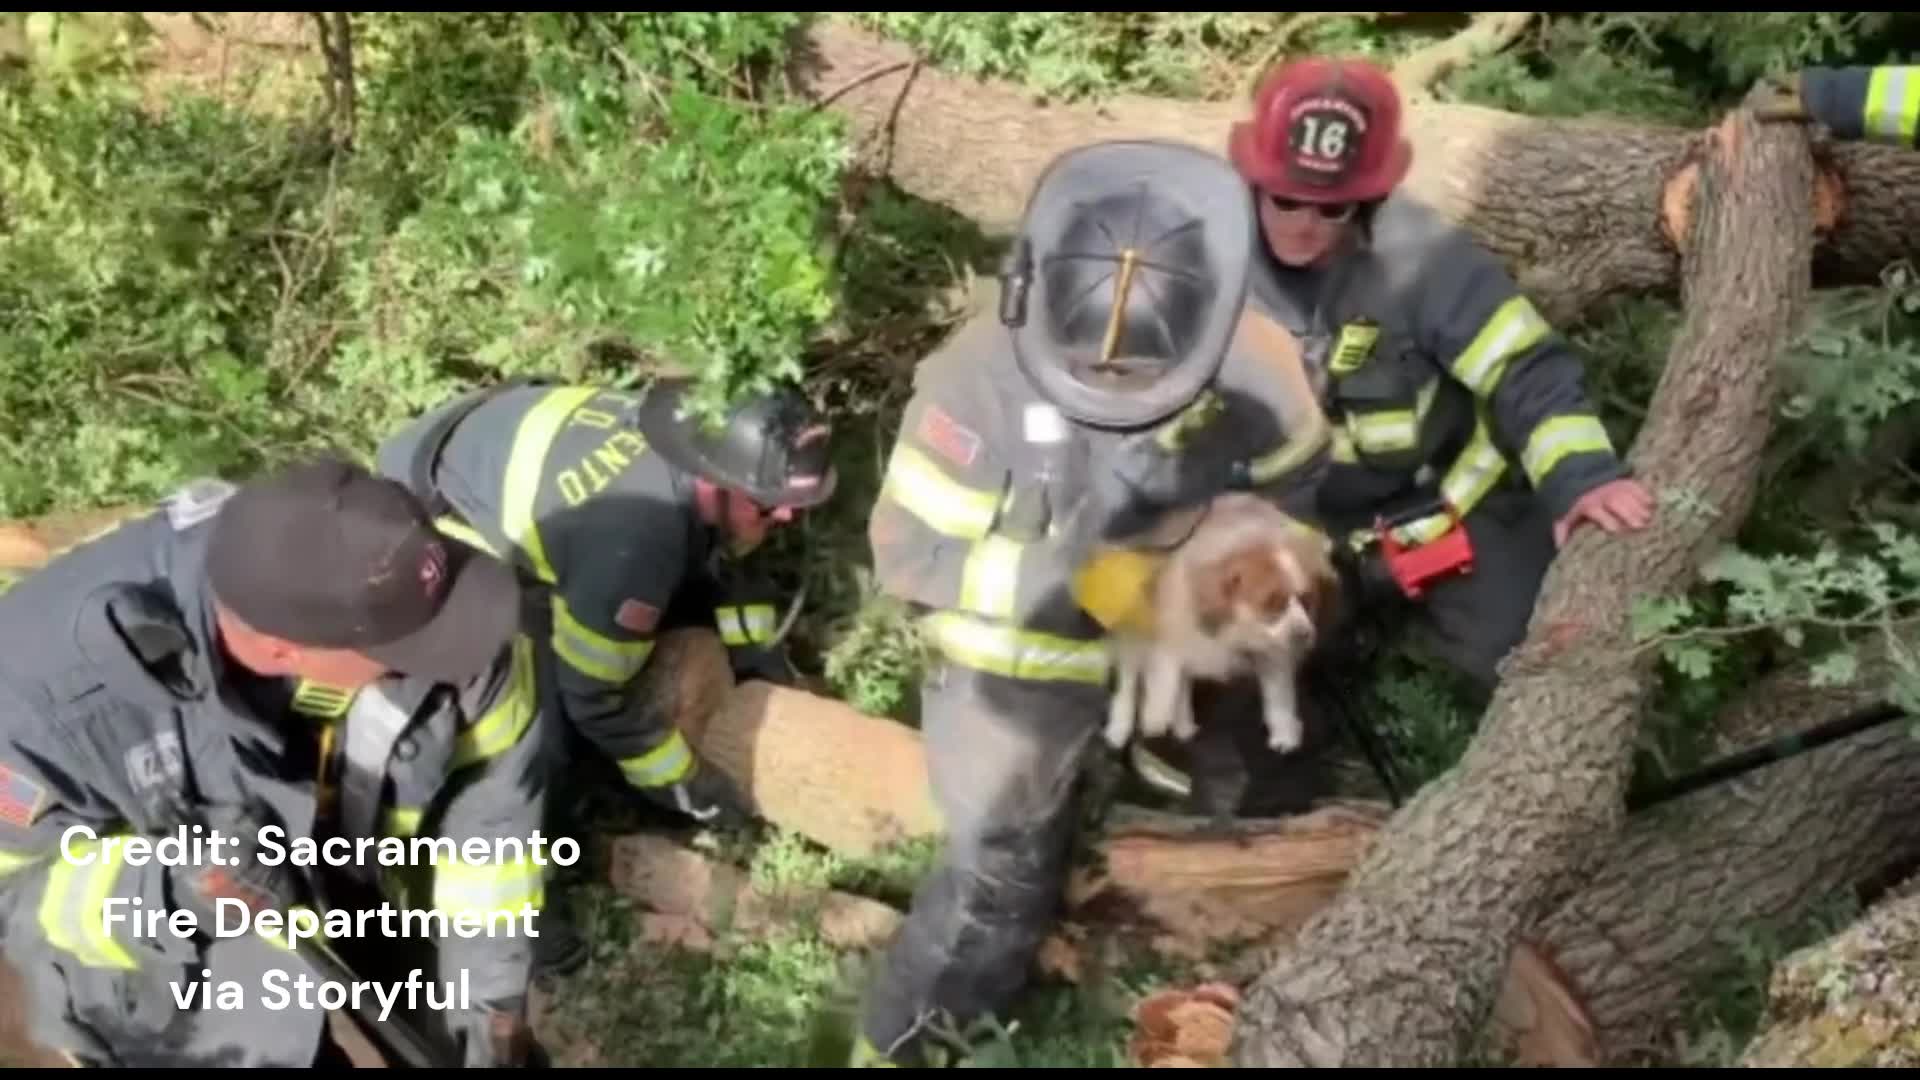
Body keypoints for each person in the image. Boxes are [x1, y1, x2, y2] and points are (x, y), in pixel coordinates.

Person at [850, 138, 1332, 1066]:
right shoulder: (973, 381)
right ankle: (900, 1046)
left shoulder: (1258, 368)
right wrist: (1080, 584)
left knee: (1267, 705)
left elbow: (1299, 491)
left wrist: (1243, 567)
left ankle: (1206, 812)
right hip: (1011, 669)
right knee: (997, 880)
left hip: (1186, 633)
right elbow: (908, 555)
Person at [0, 458, 552, 1067]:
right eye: (407, 649)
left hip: (350, 864)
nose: (453, 652)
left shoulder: (429, 586)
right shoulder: (32, 699)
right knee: (256, 1026)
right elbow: (15, 896)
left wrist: (493, 1007)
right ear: (281, 651)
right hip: (168, 947)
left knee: (447, 1025)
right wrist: (174, 891)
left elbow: (493, 836)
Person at [1223, 55, 1656, 699]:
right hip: (1293, 523)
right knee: (1232, 669)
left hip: (1448, 505)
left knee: (1529, 670)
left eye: (1332, 209)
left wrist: (1582, 479)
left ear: (1368, 200)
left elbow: (1524, 366)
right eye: (1285, 200)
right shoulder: (1206, 262)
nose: (1304, 224)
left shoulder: (1424, 258)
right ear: (1252, 180)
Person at [372, 374, 836, 971]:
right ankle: (509, 917)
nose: (786, 516)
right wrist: (692, 789)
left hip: (489, 458)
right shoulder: (639, 545)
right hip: (440, 528)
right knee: (531, 724)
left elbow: (728, 569)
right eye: (769, 504)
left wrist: (758, 667)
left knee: (682, 582)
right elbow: (594, 697)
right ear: (713, 480)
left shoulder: (684, 444)